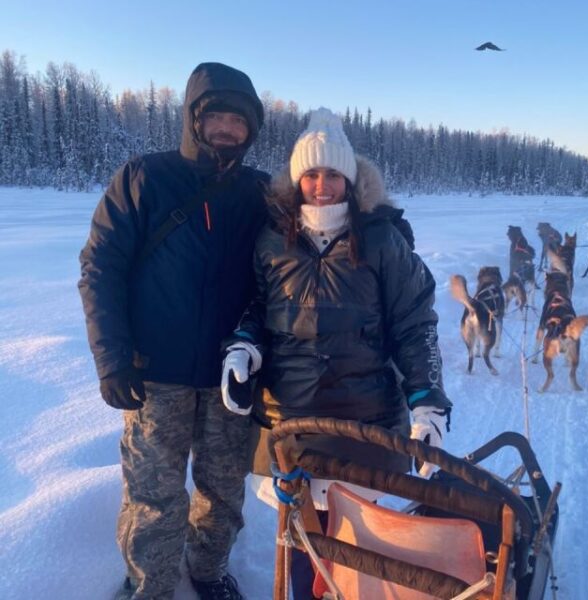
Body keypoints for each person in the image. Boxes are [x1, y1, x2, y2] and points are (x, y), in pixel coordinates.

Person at [219, 107, 452, 598]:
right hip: (289, 423)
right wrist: (243, 349)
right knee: (301, 543)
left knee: (357, 547)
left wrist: (427, 399)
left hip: (364, 424)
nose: (321, 186)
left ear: (349, 179)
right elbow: (256, 308)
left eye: (332, 175)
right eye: (311, 175)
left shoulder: (382, 239)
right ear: (296, 180)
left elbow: (415, 324)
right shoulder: (272, 239)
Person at [78, 62, 269, 600]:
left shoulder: (261, 192)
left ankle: (209, 572)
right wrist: (112, 359)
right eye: (217, 117)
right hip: (154, 373)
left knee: (223, 489)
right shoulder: (143, 177)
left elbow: (317, 221)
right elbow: (100, 269)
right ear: (193, 119)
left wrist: (379, 222)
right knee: (153, 494)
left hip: (230, 377)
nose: (228, 128)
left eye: (239, 120)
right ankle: (151, 586)